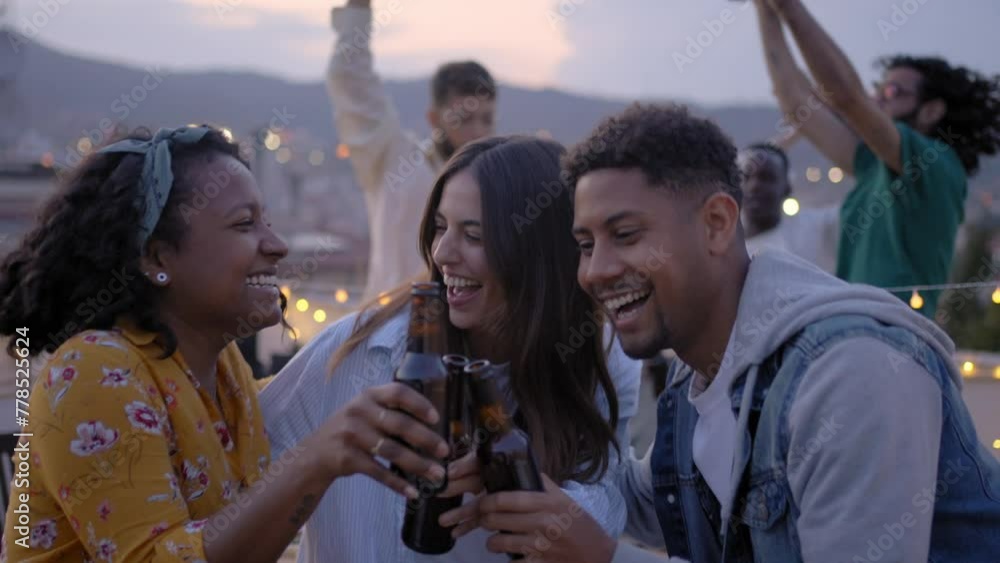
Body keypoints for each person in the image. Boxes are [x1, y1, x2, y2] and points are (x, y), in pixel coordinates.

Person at [468, 103, 1000, 563]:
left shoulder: (851, 372)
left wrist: (605, 558)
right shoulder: (700, 374)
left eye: (625, 234)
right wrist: (498, 468)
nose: (596, 271)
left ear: (718, 223)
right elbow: (642, 499)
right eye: (585, 245)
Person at [0, 126, 451, 562]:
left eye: (267, 221)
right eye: (244, 224)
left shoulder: (223, 372)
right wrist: (314, 461)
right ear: (157, 257)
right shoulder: (94, 372)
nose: (276, 245)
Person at [259, 135, 641, 563]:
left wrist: (515, 482)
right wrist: (317, 460)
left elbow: (607, 498)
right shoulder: (366, 351)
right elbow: (240, 476)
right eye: (440, 227)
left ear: (538, 254)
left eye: (473, 235)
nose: (442, 253)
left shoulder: (596, 359)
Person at [753, 0, 1000, 318]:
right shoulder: (873, 165)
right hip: (855, 330)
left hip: (893, 335)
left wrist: (787, 7)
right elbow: (795, 103)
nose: (878, 100)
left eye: (892, 92)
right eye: (877, 90)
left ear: (931, 111)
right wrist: (764, 9)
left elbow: (847, 96)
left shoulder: (936, 165)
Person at [327, 0, 498, 301]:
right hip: (387, 318)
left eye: (486, 119)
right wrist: (359, 9)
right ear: (434, 118)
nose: (478, 132)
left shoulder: (498, 184)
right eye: (464, 119)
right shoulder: (395, 159)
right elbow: (351, 80)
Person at [740, 142, 838, 274]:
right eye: (746, 177)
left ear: (787, 187)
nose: (754, 186)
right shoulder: (721, 248)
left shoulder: (817, 228)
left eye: (767, 177)